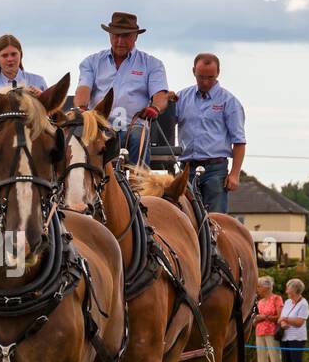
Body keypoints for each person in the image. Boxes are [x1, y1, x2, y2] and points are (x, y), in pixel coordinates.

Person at [73, 12, 169, 166]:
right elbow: (83, 88)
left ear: (136, 37)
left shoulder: (152, 64)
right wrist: (82, 108)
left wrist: (155, 108)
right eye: (115, 36)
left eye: (125, 36)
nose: (119, 41)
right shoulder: (91, 62)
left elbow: (161, 95)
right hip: (100, 126)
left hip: (133, 125)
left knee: (139, 134)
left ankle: (138, 183)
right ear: (109, 35)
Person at [173, 53, 246, 214]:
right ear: (193, 72)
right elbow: (167, 122)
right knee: (183, 217)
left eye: (210, 77)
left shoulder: (229, 102)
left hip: (215, 169)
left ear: (218, 73)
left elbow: (239, 141)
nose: (205, 82)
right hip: (186, 168)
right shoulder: (181, 98)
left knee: (215, 220)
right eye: (201, 77)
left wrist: (234, 174)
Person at [278, 278, 309, 362]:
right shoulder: (287, 302)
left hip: (297, 338)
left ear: (294, 290)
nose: (286, 290)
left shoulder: (304, 304)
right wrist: (283, 323)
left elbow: (300, 322)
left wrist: (286, 320)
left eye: (288, 288)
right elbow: (281, 318)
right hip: (285, 337)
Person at [254, 276, 283, 362]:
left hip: (272, 333)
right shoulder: (259, 302)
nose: (257, 289)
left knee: (275, 360)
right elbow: (255, 319)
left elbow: (280, 317)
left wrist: (265, 317)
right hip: (259, 332)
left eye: (259, 287)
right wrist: (256, 320)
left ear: (266, 288)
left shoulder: (277, 299)